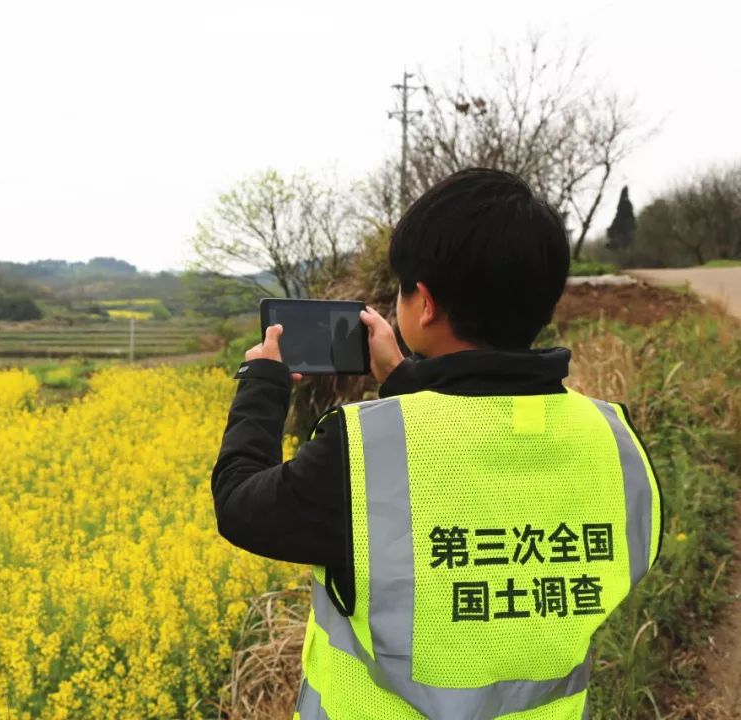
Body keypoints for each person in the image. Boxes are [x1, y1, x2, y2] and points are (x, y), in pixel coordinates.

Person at [210, 168, 662, 720]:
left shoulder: (361, 453)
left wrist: (262, 386)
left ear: (423, 303)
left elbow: (239, 504)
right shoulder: (614, 442)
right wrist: (405, 379)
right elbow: (481, 450)